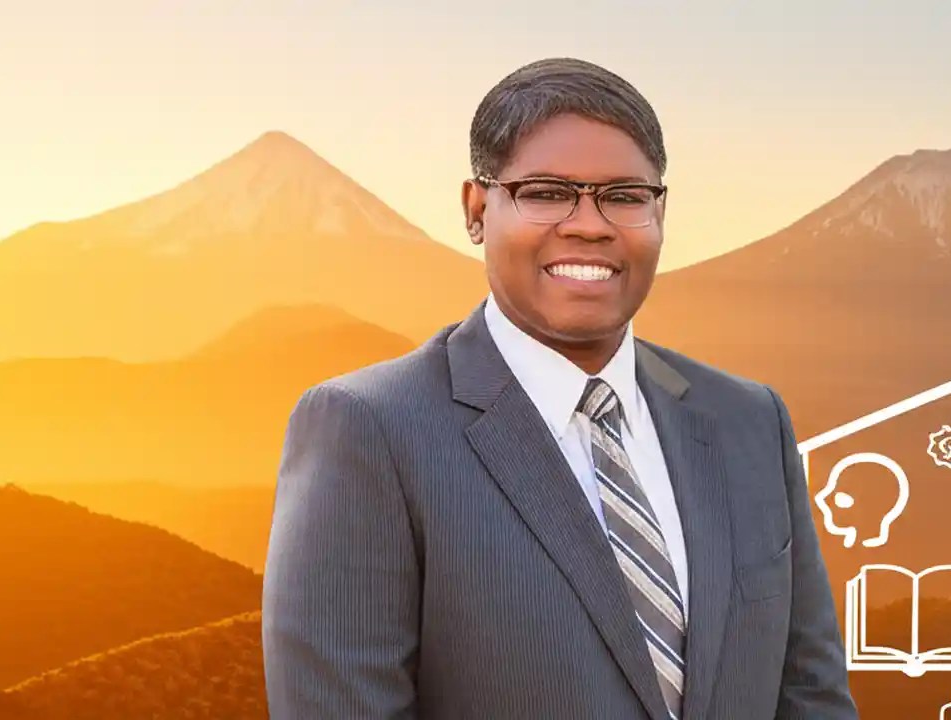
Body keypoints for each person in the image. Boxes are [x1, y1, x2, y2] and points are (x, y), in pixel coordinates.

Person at [261, 56, 857, 720]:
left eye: (625, 196)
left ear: (659, 211)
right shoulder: (371, 429)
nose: (589, 224)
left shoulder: (748, 420)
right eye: (546, 192)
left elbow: (812, 696)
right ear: (477, 208)